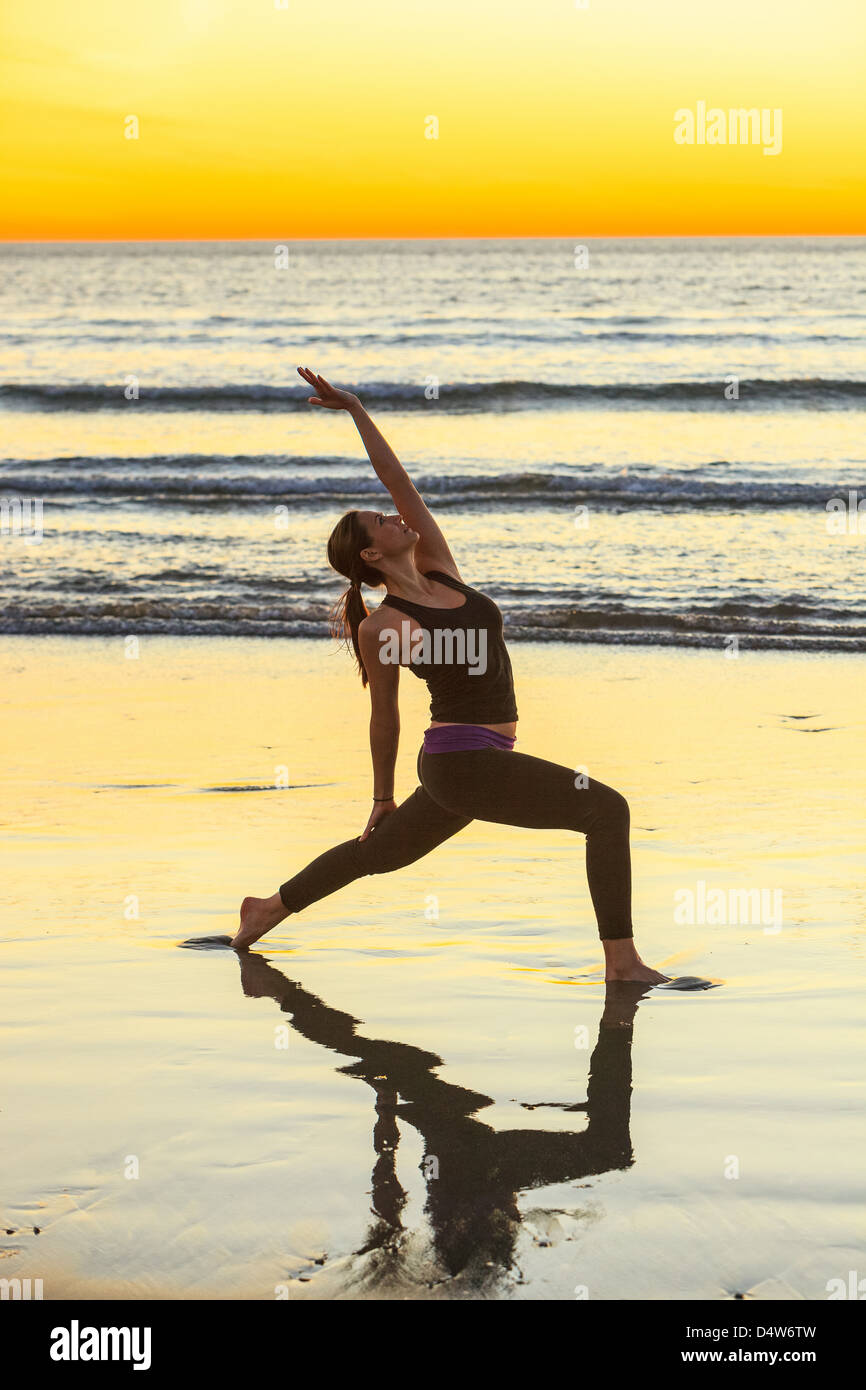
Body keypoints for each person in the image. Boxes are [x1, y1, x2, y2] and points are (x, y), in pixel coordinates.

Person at [232, 367, 668, 984]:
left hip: (475, 760)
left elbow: (397, 478)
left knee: (378, 856)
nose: (394, 517)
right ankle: (622, 964)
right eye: (381, 522)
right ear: (370, 555)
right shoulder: (381, 626)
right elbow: (385, 720)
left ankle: (265, 909)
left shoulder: (438, 568)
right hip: (461, 763)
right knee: (606, 811)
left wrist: (356, 409)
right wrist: (381, 796)